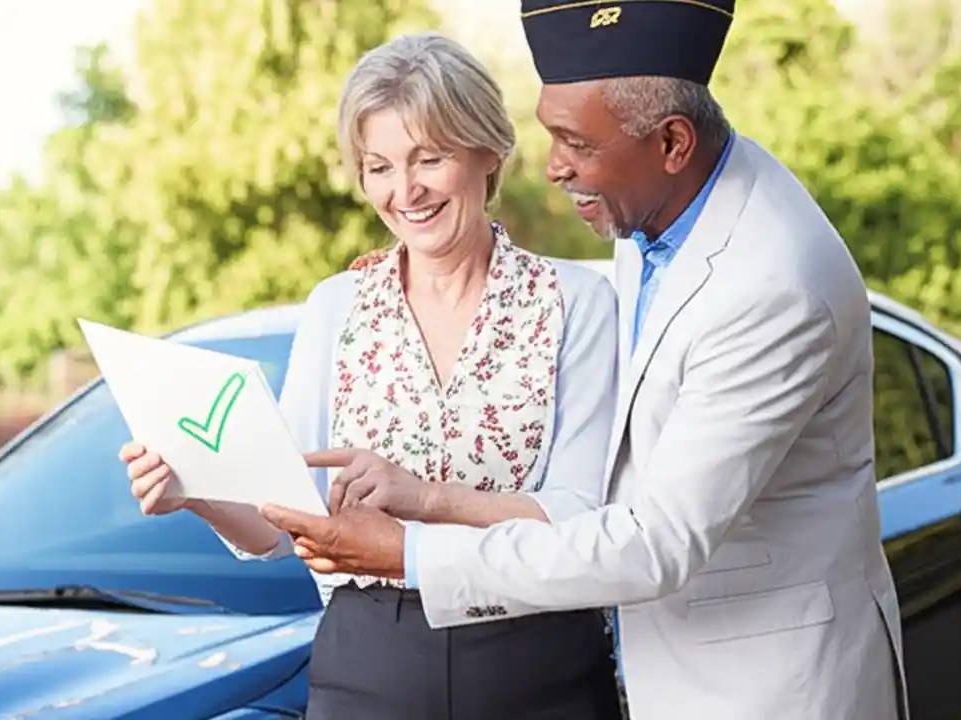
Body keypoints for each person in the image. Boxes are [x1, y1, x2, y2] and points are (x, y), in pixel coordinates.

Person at [259, 3, 911, 720]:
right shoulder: (652, 217)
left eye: (576, 142)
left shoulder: (771, 284)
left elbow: (653, 541)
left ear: (671, 142)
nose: (554, 166)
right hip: (651, 663)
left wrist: (408, 549)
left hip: (758, 685)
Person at [121, 32, 625, 720]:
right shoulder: (338, 306)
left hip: (537, 656)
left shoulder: (576, 302)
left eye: (430, 158)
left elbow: (579, 515)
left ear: (488, 151)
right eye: (378, 166)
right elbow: (281, 520)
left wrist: (420, 499)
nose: (404, 191)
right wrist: (193, 490)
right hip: (368, 664)